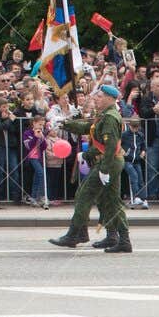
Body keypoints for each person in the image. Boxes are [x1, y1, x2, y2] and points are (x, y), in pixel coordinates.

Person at [48, 84, 131, 253]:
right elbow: (87, 128)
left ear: (110, 99)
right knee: (111, 201)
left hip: (108, 161)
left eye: (100, 96)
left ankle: (75, 234)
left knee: (83, 195)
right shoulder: (103, 115)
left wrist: (105, 170)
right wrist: (65, 124)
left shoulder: (110, 117)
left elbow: (110, 146)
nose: (96, 98)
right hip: (110, 161)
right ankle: (118, 238)